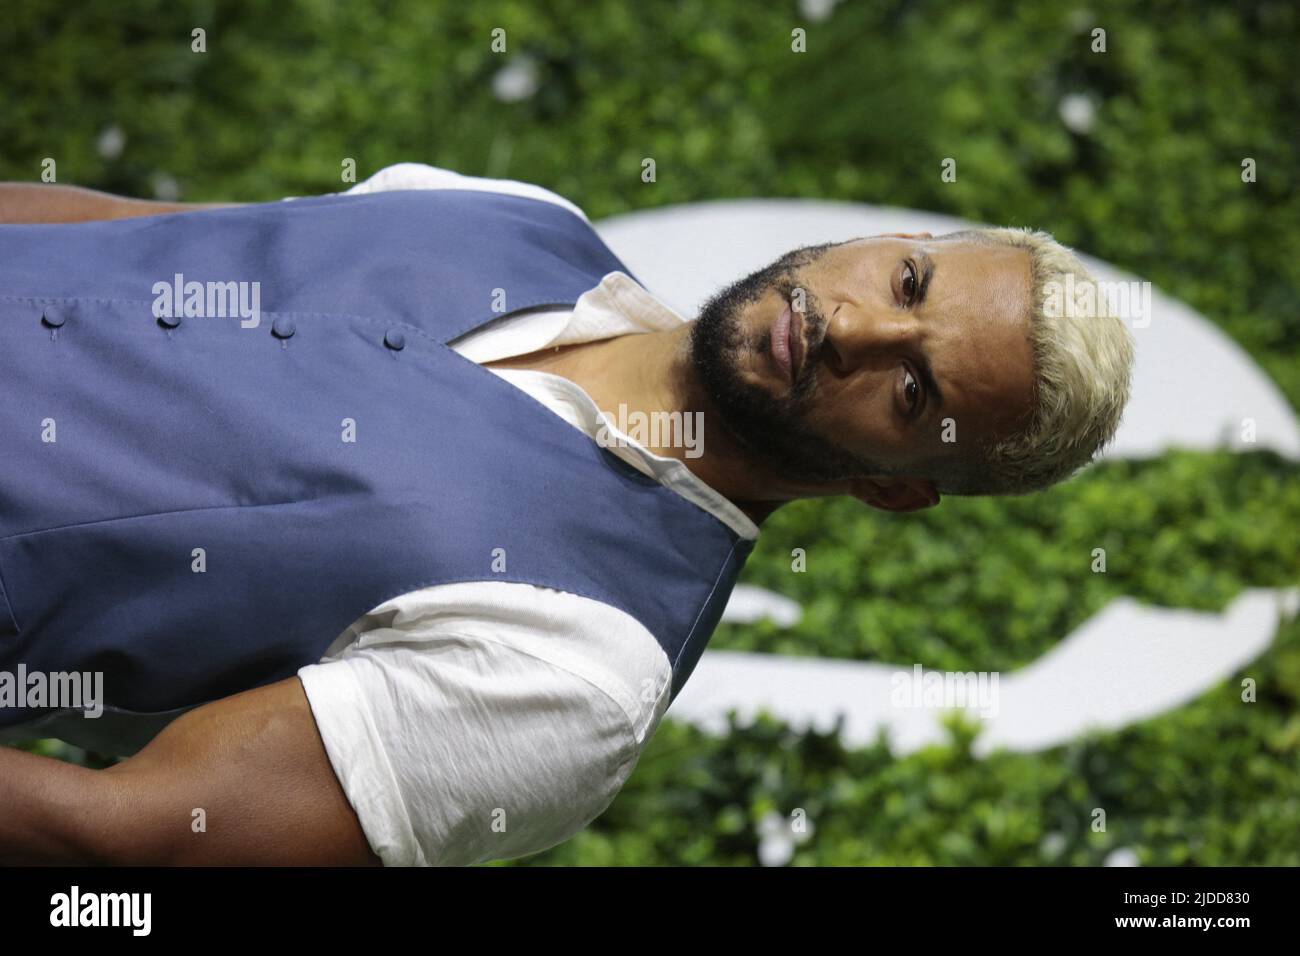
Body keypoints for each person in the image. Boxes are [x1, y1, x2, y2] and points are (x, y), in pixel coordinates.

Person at [0, 164, 1134, 865]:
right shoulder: (522, 217)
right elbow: (121, 231)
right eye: (907, 286)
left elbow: (125, 837)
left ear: (891, 486)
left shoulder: (580, 667)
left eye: (912, 390)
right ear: (895, 242)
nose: (853, 329)